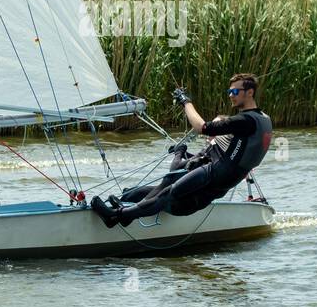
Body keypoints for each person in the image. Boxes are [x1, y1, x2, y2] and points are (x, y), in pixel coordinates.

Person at [89, 73, 273, 228]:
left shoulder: (245, 120)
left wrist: (186, 102)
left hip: (218, 172)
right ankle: (126, 211)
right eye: (229, 92)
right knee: (165, 190)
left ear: (250, 92)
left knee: (168, 193)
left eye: (235, 92)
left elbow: (203, 127)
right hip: (227, 177)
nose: (231, 95)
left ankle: (117, 216)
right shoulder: (263, 119)